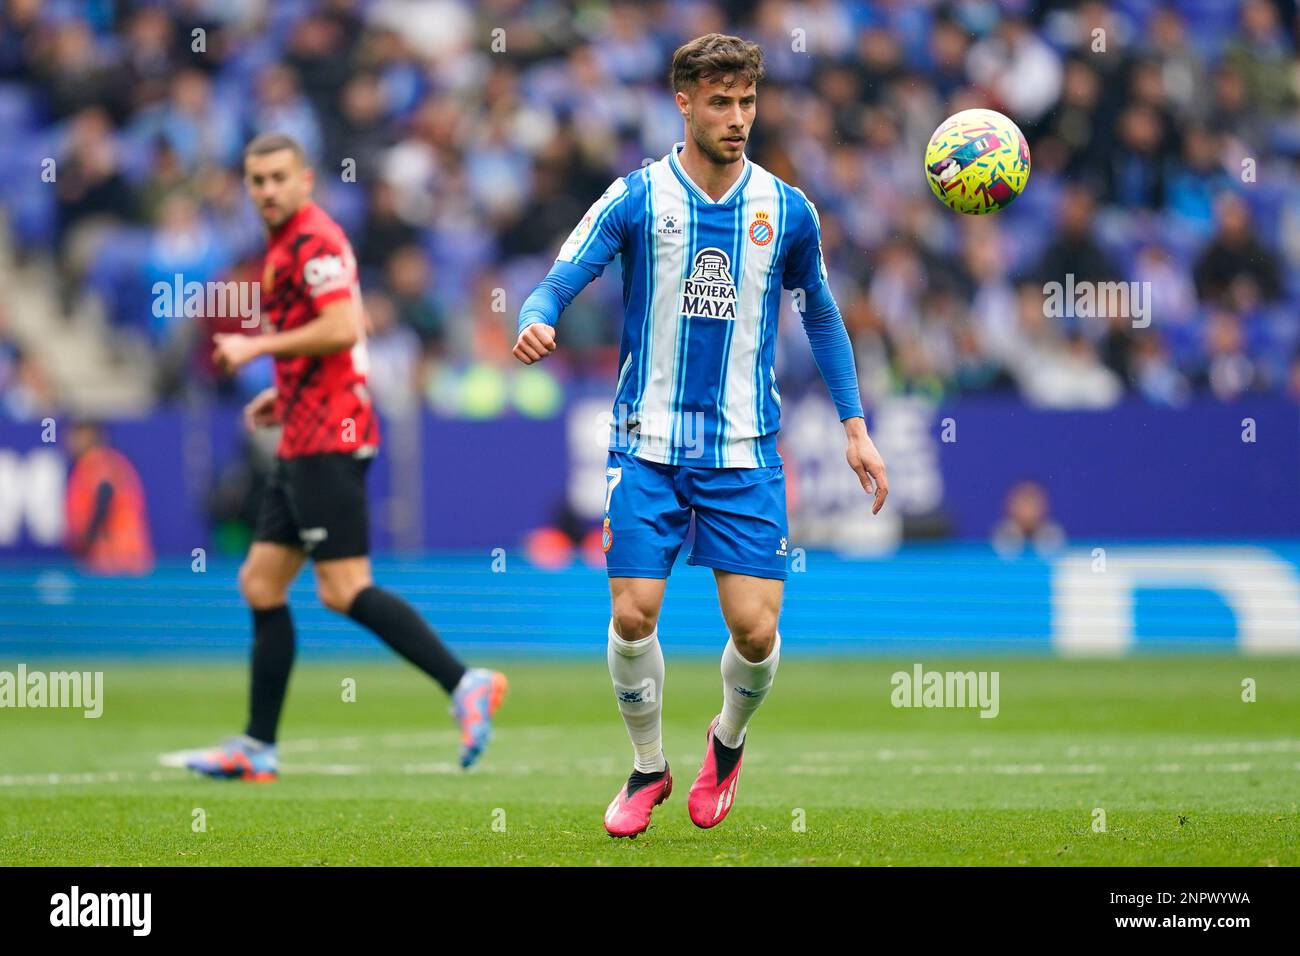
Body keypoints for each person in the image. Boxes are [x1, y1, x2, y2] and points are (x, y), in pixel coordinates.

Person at [513, 34, 888, 837]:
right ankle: (648, 767)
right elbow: (559, 276)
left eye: (748, 101)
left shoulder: (786, 210)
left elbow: (820, 312)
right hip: (645, 443)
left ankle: (727, 743)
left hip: (745, 448)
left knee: (755, 628)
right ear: (682, 102)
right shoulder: (638, 198)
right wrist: (538, 317)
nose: (738, 117)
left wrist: (855, 425)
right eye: (721, 102)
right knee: (634, 613)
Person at [184, 133, 506, 782]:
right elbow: (331, 345)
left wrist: (255, 349)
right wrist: (284, 390)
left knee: (344, 587)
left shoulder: (315, 241)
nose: (267, 190)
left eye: (279, 177)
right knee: (261, 582)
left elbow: (343, 326)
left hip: (330, 436)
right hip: (306, 427)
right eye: (256, 180)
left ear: (305, 180)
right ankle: (258, 746)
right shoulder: (286, 246)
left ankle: (463, 681)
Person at [64, 421, 154, 576]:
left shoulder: (96, 461)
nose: (69, 441)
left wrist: (88, 539)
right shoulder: (114, 460)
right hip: (126, 556)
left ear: (90, 436)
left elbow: (104, 494)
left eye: (76, 435)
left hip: (113, 557)